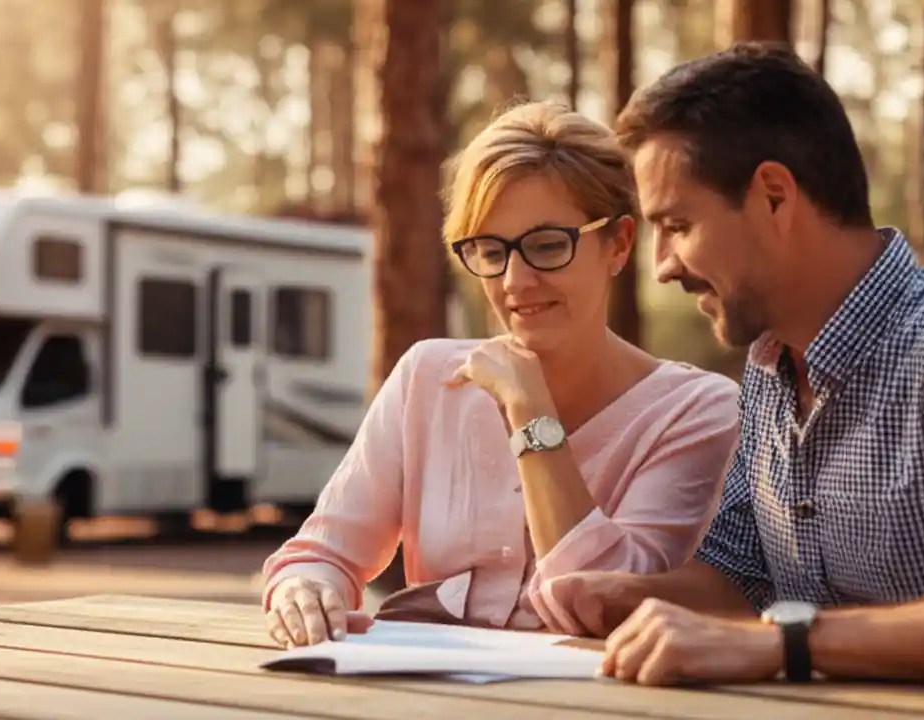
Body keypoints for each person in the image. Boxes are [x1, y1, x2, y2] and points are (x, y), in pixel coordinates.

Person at [538, 43, 924, 686]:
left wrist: (789, 644)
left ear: (775, 197)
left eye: (678, 225)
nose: (662, 265)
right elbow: (744, 576)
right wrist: (630, 599)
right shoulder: (769, 368)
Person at [261, 101, 741, 648]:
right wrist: (306, 589)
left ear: (620, 244)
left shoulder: (698, 412)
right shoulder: (427, 377)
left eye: (546, 246)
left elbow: (607, 606)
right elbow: (323, 554)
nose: (515, 280)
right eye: (490, 250)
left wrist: (531, 414)